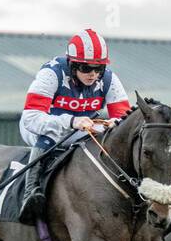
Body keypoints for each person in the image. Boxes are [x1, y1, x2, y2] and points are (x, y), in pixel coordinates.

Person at [17, 29, 131, 224]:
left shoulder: (109, 79)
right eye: (86, 68)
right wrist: (71, 121)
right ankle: (31, 192)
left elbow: (123, 118)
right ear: (72, 65)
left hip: (81, 128)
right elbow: (31, 118)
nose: (93, 74)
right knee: (52, 134)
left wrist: (116, 123)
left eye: (98, 69)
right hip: (41, 126)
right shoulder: (51, 74)